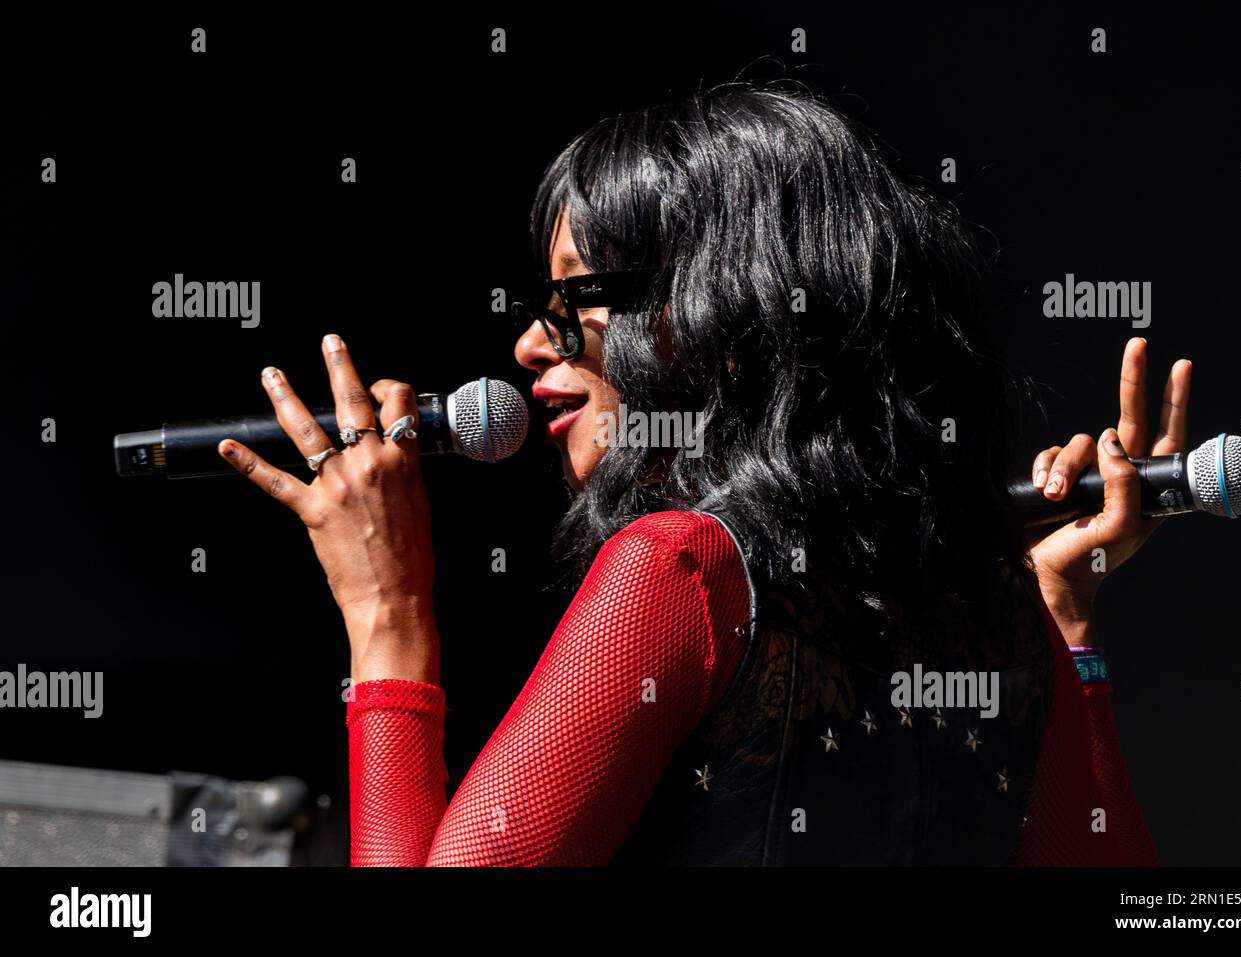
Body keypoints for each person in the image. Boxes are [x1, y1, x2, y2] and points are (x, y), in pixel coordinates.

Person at [217, 81, 1187, 865]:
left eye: (575, 303)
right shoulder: (1003, 613)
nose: (526, 345)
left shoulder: (681, 569)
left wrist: (387, 612)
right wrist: (1060, 626)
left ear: (725, 314)